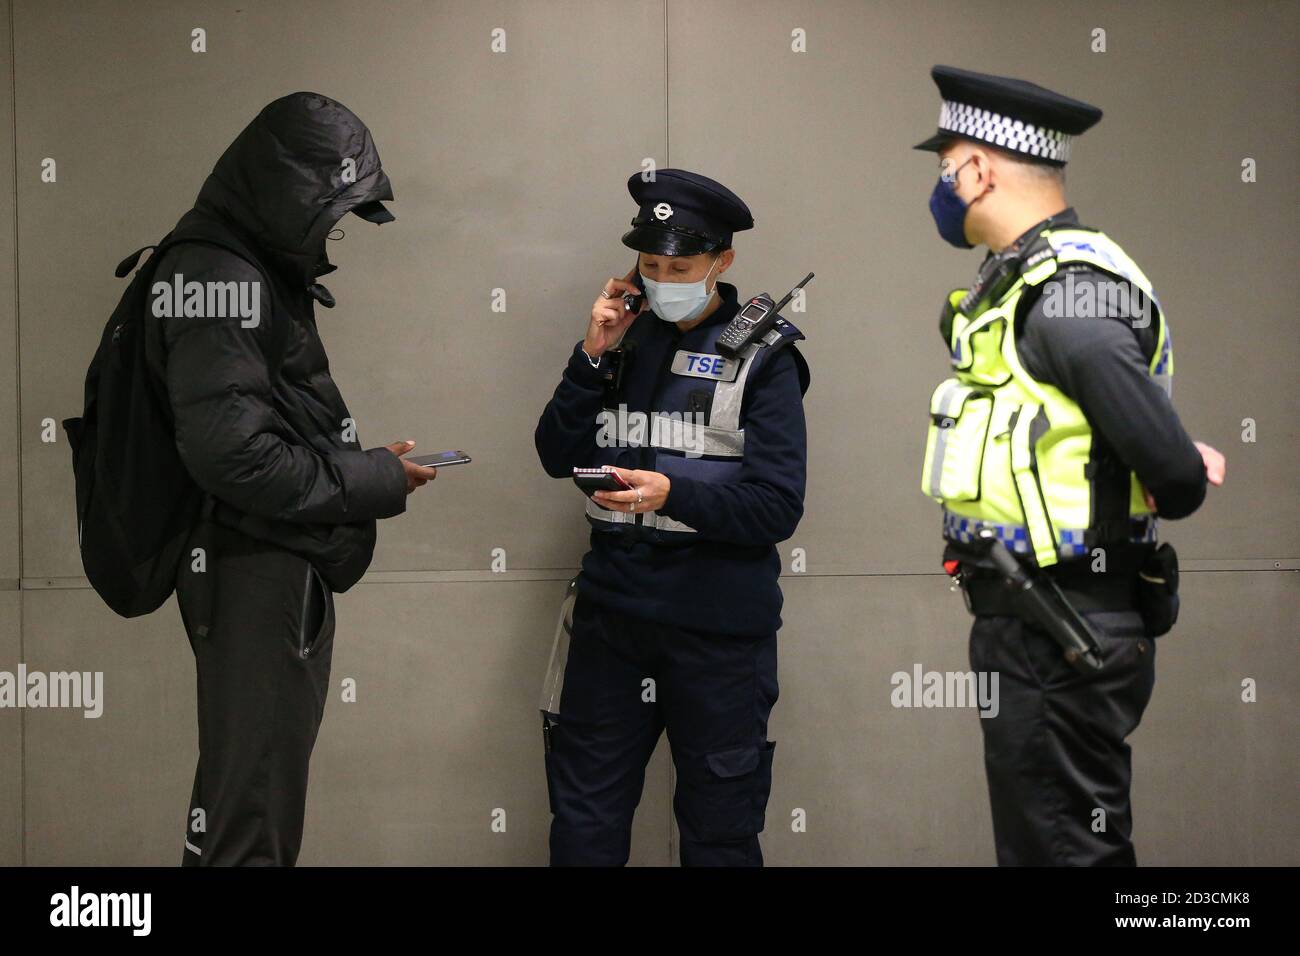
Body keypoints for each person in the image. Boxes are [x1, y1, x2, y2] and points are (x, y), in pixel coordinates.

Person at [913, 66, 1226, 865]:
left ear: (978, 171)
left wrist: (1168, 454)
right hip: (1035, 623)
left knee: (1066, 854)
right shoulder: (1026, 284)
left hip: (1062, 626)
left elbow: (1177, 481)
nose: (941, 188)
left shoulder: (1067, 295)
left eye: (945, 168)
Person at [147, 92, 438, 865]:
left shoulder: (227, 266)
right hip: (255, 565)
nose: (332, 234)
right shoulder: (220, 275)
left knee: (246, 802)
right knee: (250, 814)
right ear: (286, 195)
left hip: (255, 561)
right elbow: (232, 455)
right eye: (328, 215)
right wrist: (374, 478)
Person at [534, 169, 811, 866]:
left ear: (722, 262)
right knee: (584, 821)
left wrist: (672, 496)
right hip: (612, 621)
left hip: (716, 632)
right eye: (650, 265)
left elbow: (778, 507)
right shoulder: (623, 337)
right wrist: (591, 355)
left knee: (719, 828)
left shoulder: (767, 358)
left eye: (679, 266)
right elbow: (554, 454)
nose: (662, 280)